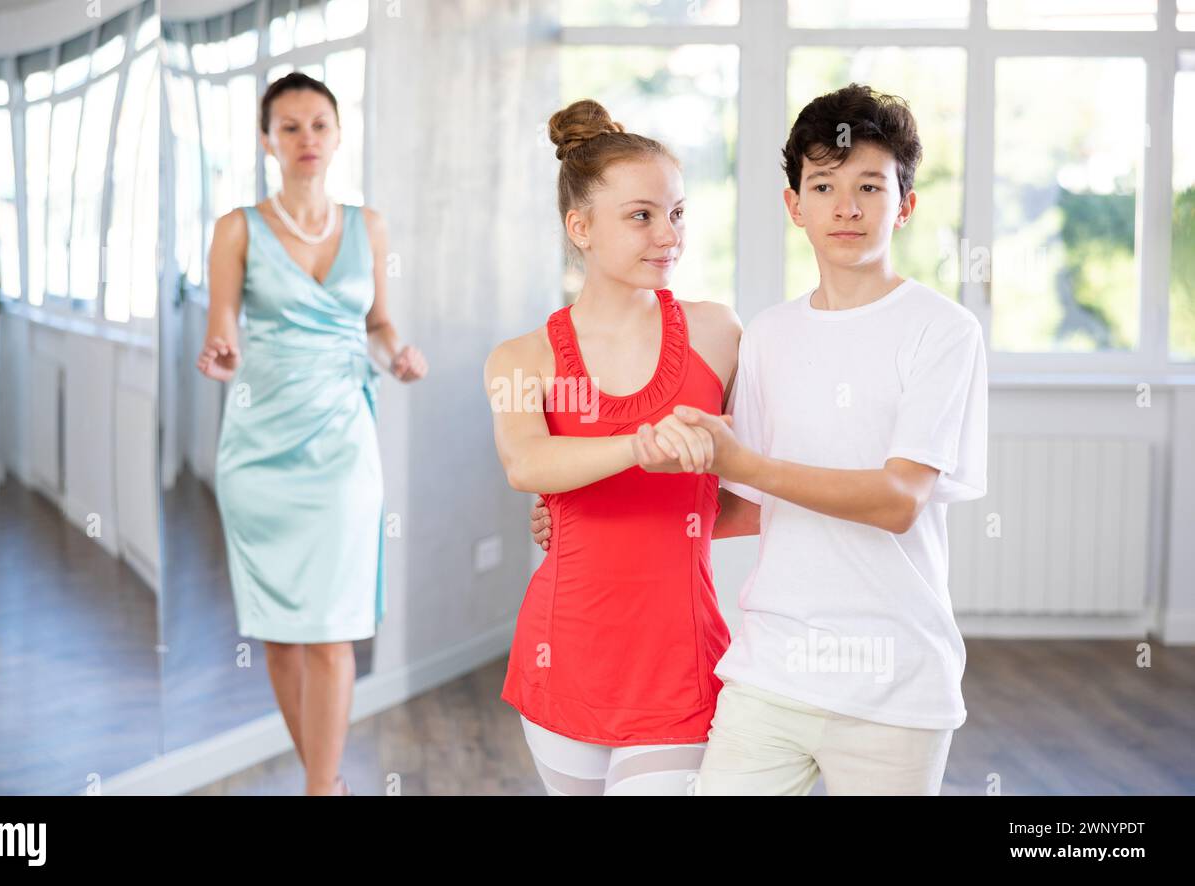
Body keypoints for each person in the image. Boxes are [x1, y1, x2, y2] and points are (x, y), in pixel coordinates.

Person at [534, 84, 988, 795]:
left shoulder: (943, 331)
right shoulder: (768, 334)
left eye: (871, 186)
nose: (846, 207)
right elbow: (740, 505)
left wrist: (744, 462)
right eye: (825, 185)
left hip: (894, 683)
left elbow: (899, 500)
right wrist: (583, 514)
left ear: (904, 205)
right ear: (794, 205)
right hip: (768, 673)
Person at [485, 98, 746, 795]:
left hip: (679, 664)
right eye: (641, 215)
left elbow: (750, 486)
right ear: (581, 227)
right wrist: (639, 449)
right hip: (563, 654)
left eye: (678, 213)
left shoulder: (720, 334)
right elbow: (527, 464)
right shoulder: (519, 358)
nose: (668, 234)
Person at [197, 72, 427, 796]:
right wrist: (222, 350)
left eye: (319, 124)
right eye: (290, 126)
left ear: (337, 134)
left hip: (342, 449)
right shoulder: (237, 227)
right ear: (267, 140)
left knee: (333, 631)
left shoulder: (369, 225)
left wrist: (398, 353)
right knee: (283, 633)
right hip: (260, 452)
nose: (306, 139)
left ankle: (320, 788)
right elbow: (222, 325)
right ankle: (325, 782)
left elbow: (378, 323)